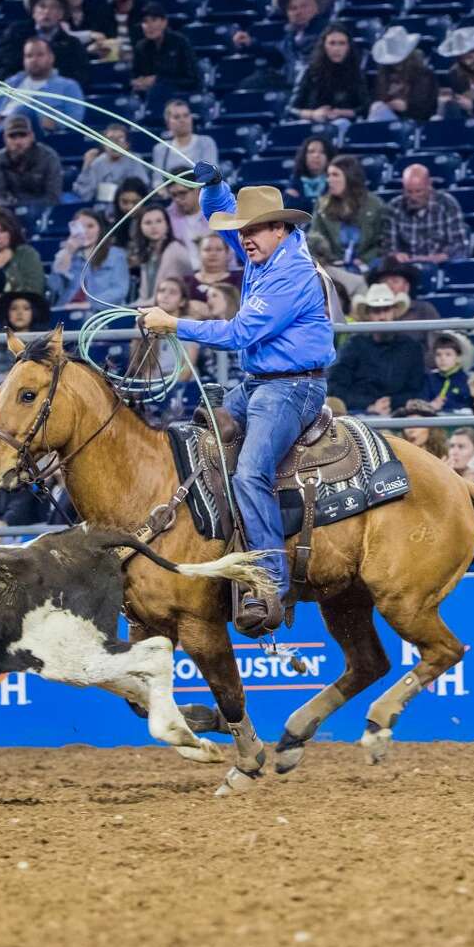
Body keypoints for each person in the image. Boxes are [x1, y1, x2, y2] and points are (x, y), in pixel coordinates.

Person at [138, 165, 336, 630]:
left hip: (292, 388)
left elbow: (241, 331)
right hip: (259, 385)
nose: (243, 238)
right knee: (200, 437)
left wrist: (174, 323)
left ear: (280, 228)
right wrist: (213, 186)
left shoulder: (292, 274)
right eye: (241, 232)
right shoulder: (263, 254)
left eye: (253, 230)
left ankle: (268, 581)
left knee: (250, 473)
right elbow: (219, 213)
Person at [0, 38, 85, 142]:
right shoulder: (12, 82)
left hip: (36, 131)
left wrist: (53, 122)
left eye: (39, 55)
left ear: (51, 58)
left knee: (24, 109)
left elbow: (75, 118)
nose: (34, 60)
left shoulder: (68, 85)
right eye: (29, 56)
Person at [0, 0, 93, 87]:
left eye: (54, 7)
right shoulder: (15, 33)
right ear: (33, 12)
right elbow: (1, 60)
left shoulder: (72, 44)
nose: (47, 11)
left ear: (61, 14)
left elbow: (80, 76)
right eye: (42, 6)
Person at [310, 154, 388, 268]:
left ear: (350, 177)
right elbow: (315, 239)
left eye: (335, 175)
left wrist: (365, 260)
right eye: (328, 175)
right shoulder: (322, 205)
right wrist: (330, 260)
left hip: (368, 265)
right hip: (333, 266)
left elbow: (382, 242)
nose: (329, 180)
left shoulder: (375, 205)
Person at [47, 208, 133, 309]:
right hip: (67, 309)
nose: (85, 231)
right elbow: (55, 288)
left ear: (100, 229)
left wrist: (90, 305)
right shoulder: (66, 254)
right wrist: (67, 253)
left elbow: (119, 291)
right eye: (81, 227)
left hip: (102, 311)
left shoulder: (116, 255)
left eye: (90, 226)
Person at [388, 165, 471, 263]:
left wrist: (442, 256)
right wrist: (396, 254)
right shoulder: (394, 207)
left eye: (418, 191)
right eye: (409, 192)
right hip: (406, 269)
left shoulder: (448, 204)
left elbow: (460, 245)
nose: (413, 197)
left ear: (429, 184)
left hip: (441, 266)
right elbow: (388, 245)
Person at [292, 26, 369, 124]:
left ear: (348, 47)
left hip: (343, 122)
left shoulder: (356, 72)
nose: (336, 49)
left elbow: (365, 108)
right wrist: (313, 114)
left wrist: (342, 113)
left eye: (342, 43)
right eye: (332, 43)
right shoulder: (309, 72)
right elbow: (291, 110)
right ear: (324, 46)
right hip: (312, 122)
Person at [0, 116, 65, 210]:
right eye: (12, 136)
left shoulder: (49, 156)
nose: (18, 142)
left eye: (23, 135)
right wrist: (10, 208)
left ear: (32, 136)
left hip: (41, 208)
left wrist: (28, 208)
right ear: (5, 138)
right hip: (9, 209)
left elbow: (53, 195)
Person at [125, 203, 197, 303]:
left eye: (159, 221)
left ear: (167, 225)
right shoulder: (148, 251)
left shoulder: (175, 250)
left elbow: (162, 297)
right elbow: (144, 295)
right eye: (148, 223)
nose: (154, 227)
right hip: (150, 305)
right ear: (140, 227)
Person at [366, 27, 439, 123]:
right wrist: (389, 98)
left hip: (418, 119)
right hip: (389, 117)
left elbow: (428, 107)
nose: (396, 64)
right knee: (377, 107)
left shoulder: (424, 74)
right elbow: (377, 98)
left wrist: (406, 107)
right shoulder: (384, 74)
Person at [130, 3, 201, 101]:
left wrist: (157, 81)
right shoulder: (140, 47)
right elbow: (135, 76)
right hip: (149, 97)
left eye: (154, 20)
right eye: (145, 22)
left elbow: (193, 80)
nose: (149, 26)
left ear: (164, 22)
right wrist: (138, 83)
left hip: (179, 96)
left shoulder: (180, 42)